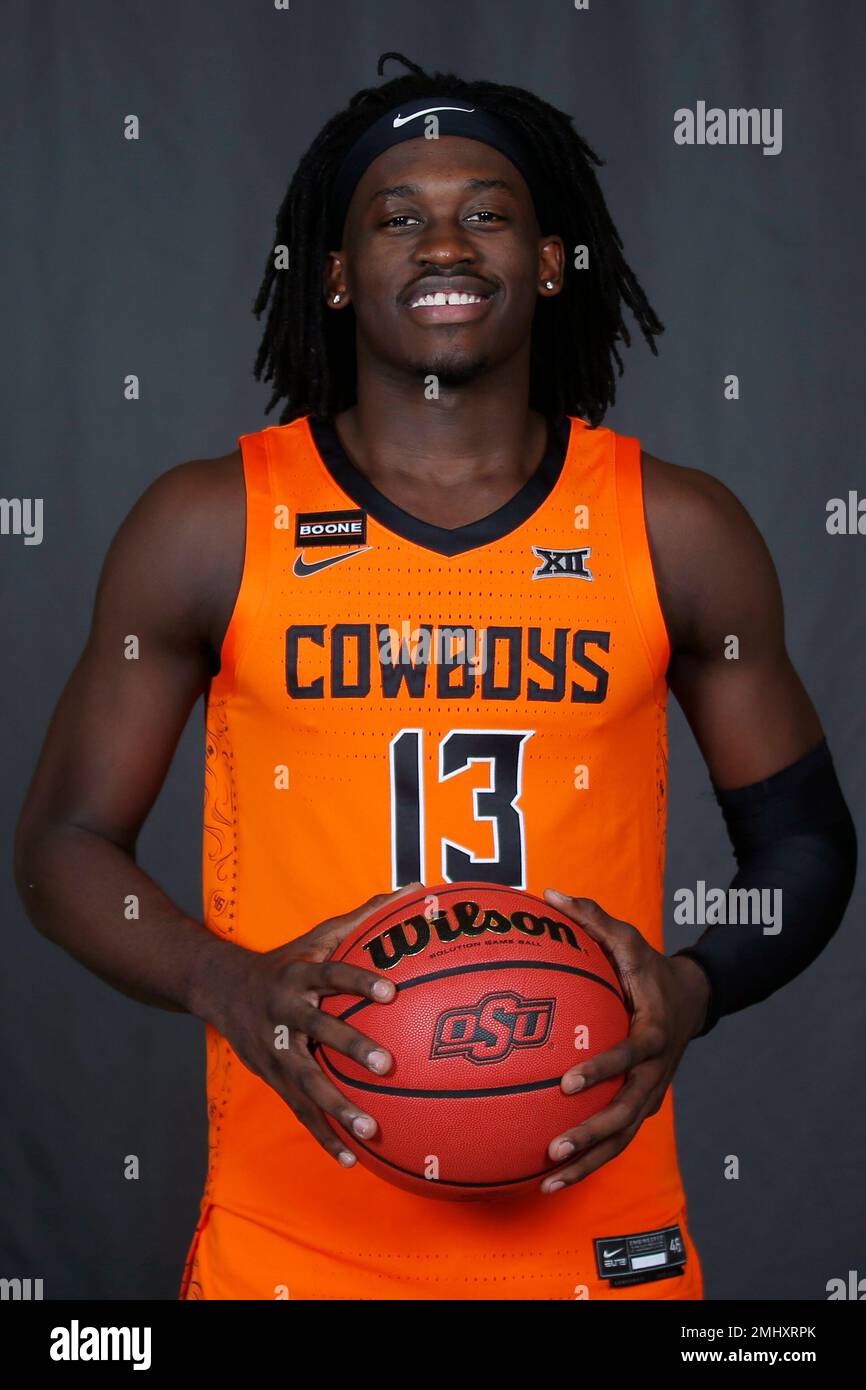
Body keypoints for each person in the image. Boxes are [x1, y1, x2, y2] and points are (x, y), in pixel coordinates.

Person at [15, 52, 856, 1301]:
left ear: (553, 260)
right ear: (340, 274)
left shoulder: (673, 527)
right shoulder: (211, 524)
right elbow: (63, 842)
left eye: (487, 212)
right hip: (291, 1241)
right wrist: (225, 979)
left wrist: (687, 986)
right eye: (398, 215)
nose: (445, 243)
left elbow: (802, 843)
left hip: (593, 1232)